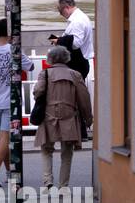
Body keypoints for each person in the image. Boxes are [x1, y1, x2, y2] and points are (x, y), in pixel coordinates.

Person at [0, 19, 34, 188]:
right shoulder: (14, 50)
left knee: (3, 137)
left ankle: (10, 173)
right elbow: (30, 66)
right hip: (11, 100)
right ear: (10, 32)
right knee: (5, 137)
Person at [33, 45, 93, 191]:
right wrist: (88, 118)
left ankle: (48, 181)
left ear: (50, 59)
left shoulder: (45, 74)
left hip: (49, 115)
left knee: (46, 148)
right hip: (69, 115)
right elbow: (84, 98)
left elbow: (38, 91)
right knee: (67, 152)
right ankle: (63, 186)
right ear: (66, 58)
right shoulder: (75, 75)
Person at [50, 0, 94, 80]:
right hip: (81, 62)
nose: (61, 14)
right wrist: (60, 39)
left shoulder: (77, 21)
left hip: (78, 65)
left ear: (67, 7)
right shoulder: (80, 17)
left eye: (60, 11)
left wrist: (58, 40)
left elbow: (75, 43)